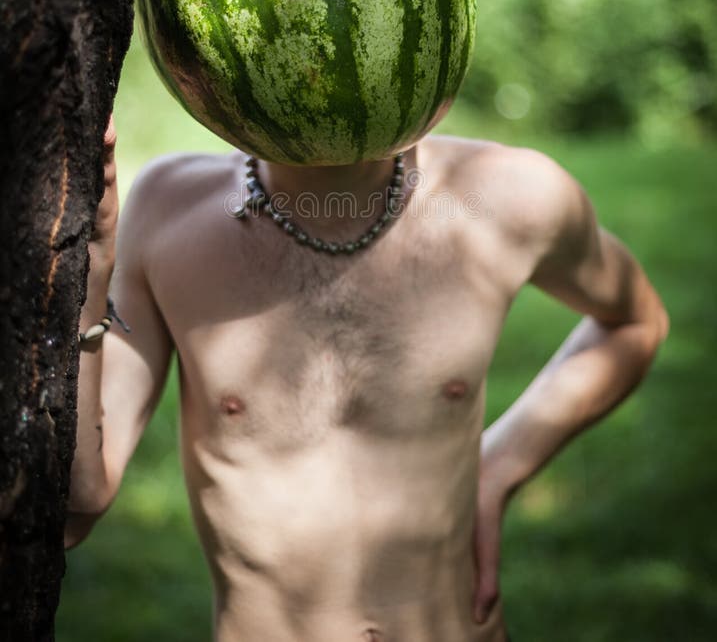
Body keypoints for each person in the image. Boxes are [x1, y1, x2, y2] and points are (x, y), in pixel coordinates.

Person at [65, 114, 668, 642]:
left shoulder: (513, 196)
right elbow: (78, 500)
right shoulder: (169, 211)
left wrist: (499, 467)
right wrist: (90, 264)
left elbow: (635, 323)